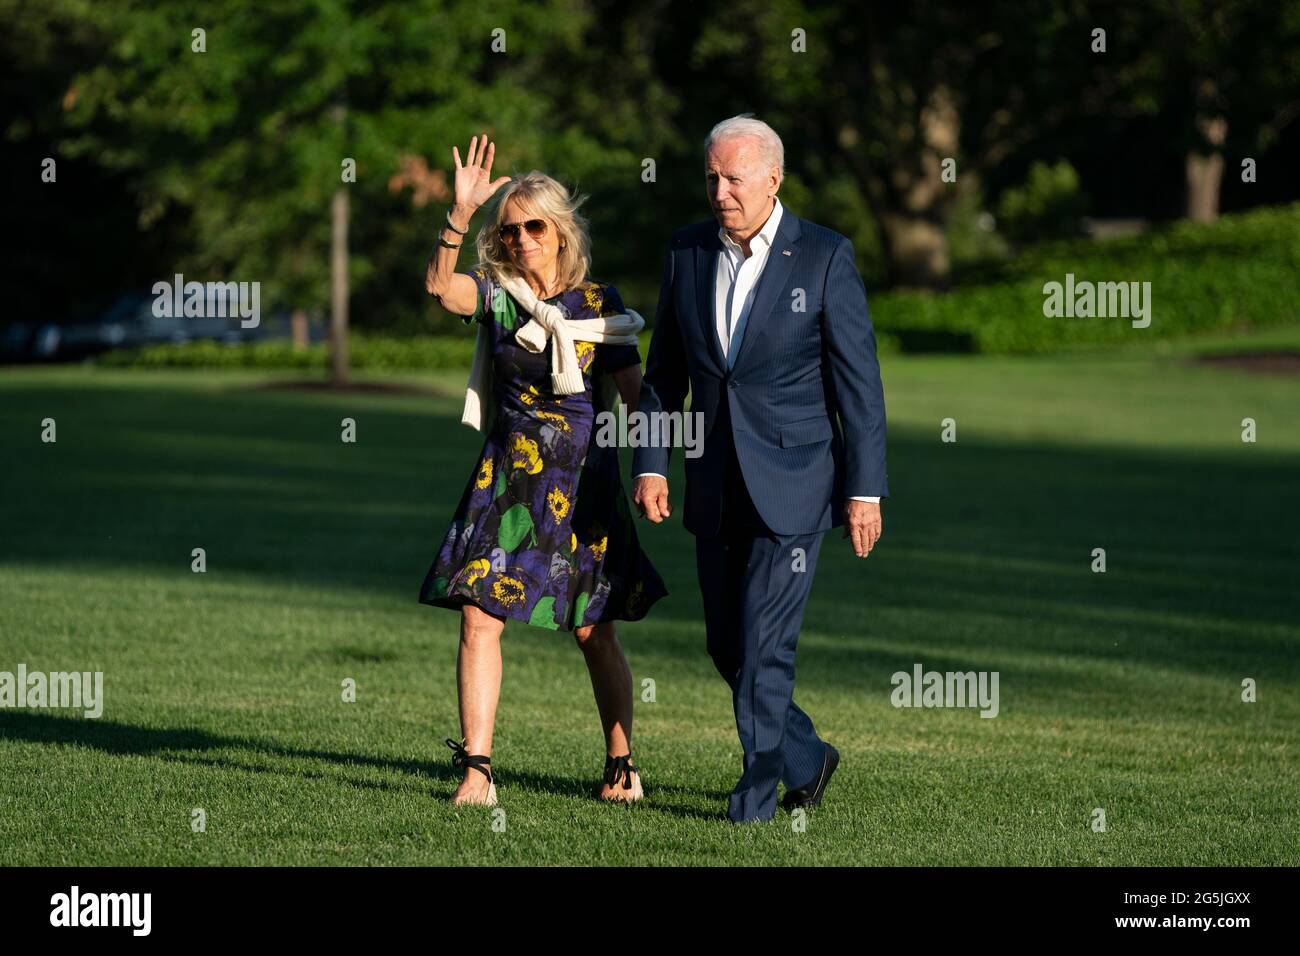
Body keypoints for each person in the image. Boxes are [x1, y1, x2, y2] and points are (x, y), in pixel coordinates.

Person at [632, 115, 889, 823]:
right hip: (714, 485)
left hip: (798, 484)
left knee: (764, 648)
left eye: (733, 177)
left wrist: (864, 490)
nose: (719, 191)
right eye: (711, 177)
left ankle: (754, 802)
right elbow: (664, 377)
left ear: (773, 178)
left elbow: (859, 387)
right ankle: (809, 757)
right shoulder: (686, 253)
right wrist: (651, 465)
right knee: (728, 645)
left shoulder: (825, 257)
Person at [421, 135, 667, 806]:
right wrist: (460, 213)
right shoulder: (499, 299)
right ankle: (477, 769)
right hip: (507, 484)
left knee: (594, 629)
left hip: (584, 485)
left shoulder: (600, 306)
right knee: (479, 617)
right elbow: (442, 289)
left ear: (561, 232)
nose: (523, 237)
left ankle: (621, 764)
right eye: (511, 229)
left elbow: (642, 397)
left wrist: (658, 469)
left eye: (535, 226)